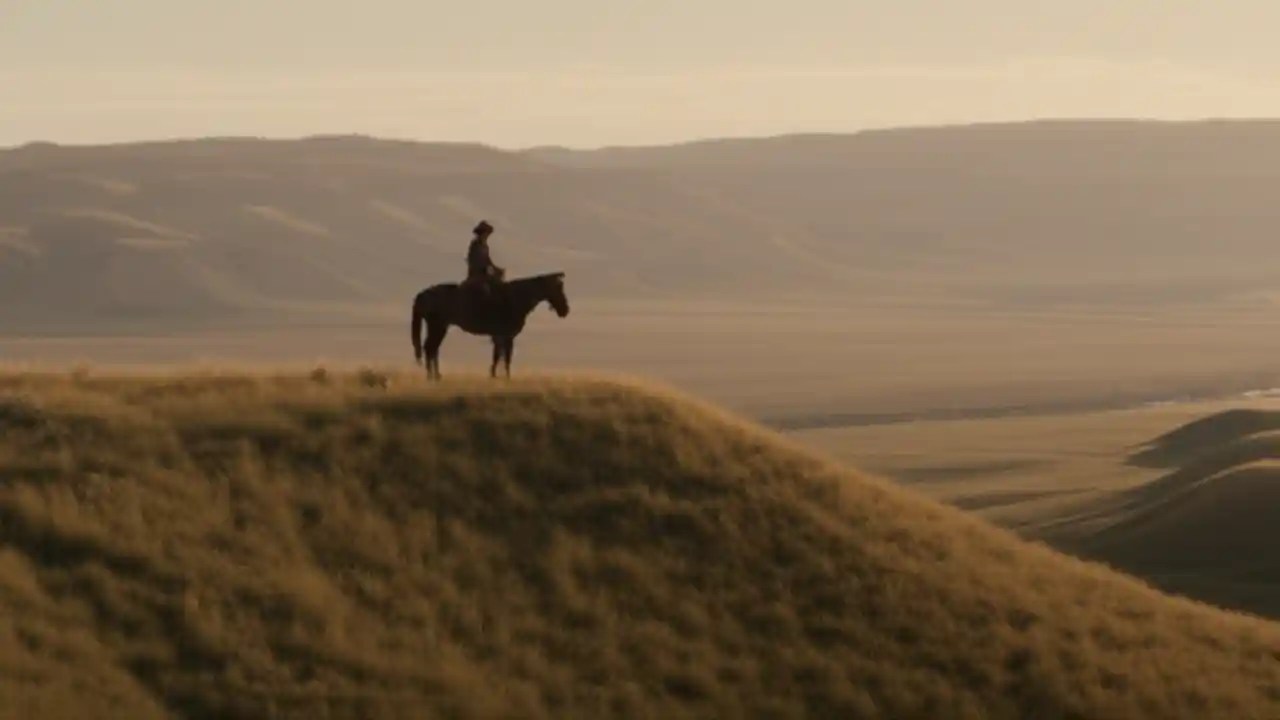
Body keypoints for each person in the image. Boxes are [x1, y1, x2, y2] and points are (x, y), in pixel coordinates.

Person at [464, 220, 504, 302]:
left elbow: (488, 260)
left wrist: (496, 269)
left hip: (484, 271)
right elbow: (475, 259)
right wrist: (485, 267)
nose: (487, 235)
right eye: (486, 233)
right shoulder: (475, 244)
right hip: (476, 272)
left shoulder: (485, 246)